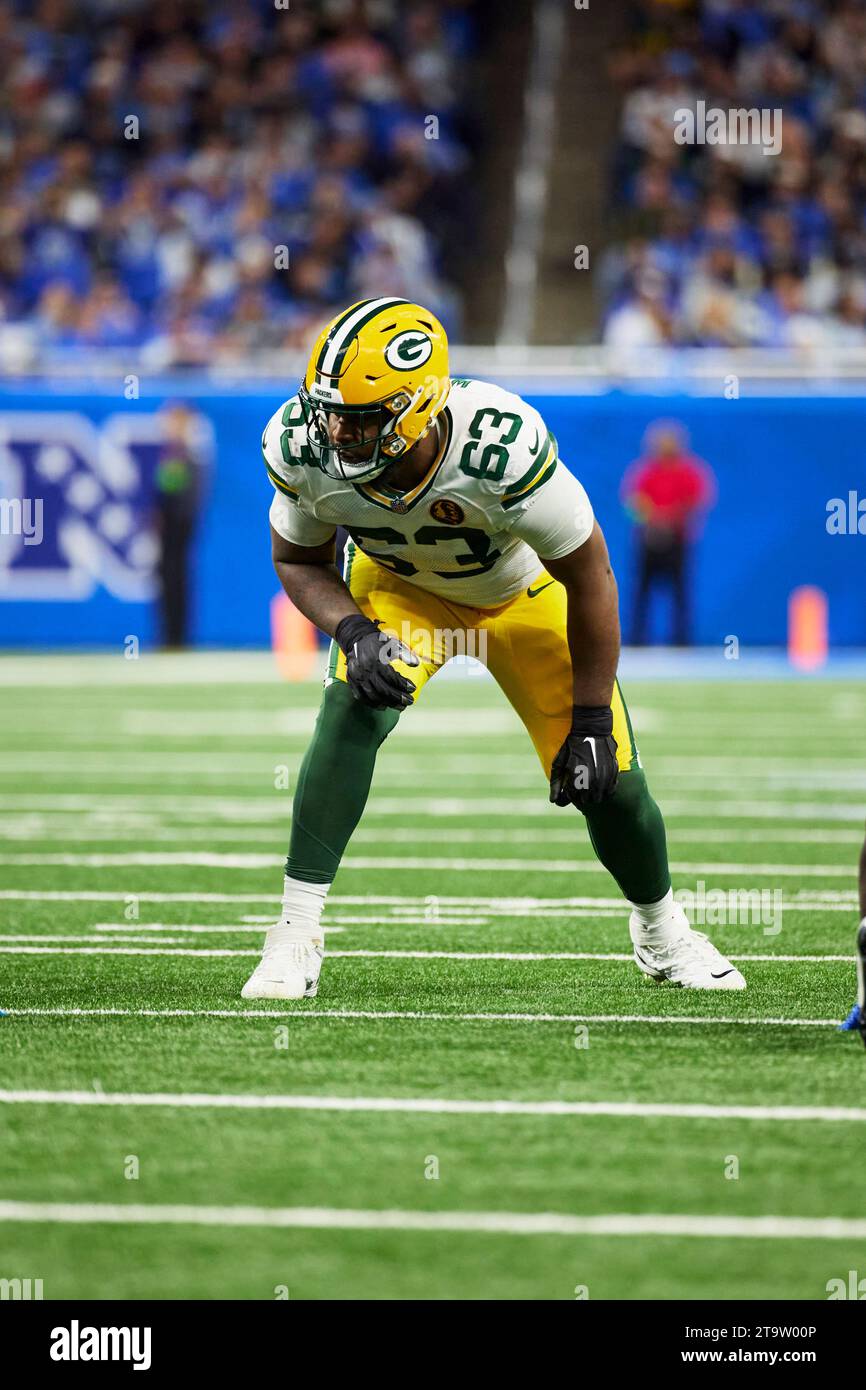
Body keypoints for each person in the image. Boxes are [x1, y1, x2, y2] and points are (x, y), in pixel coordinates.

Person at [242, 297, 745, 1000]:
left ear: (418, 407)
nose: (335, 432)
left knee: (614, 785)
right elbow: (298, 558)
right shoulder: (302, 447)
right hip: (401, 591)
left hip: (523, 595)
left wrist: (592, 719)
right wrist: (353, 631)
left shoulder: (498, 447)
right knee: (353, 703)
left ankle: (663, 932)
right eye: (328, 412)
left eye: (358, 418)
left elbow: (590, 574)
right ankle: (295, 932)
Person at [621, 421, 716, 646]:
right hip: (648, 540)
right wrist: (652, 522)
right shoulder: (644, 471)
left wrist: (670, 521)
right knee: (641, 592)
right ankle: (637, 639)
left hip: (678, 540)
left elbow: (697, 503)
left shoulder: (690, 472)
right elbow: (632, 505)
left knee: (680, 592)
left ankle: (681, 641)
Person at [154, 402, 209, 649]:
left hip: (178, 532)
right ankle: (171, 635)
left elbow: (179, 497)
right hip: (172, 532)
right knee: (168, 579)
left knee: (175, 578)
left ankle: (176, 637)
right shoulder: (178, 454)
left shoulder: (186, 455)